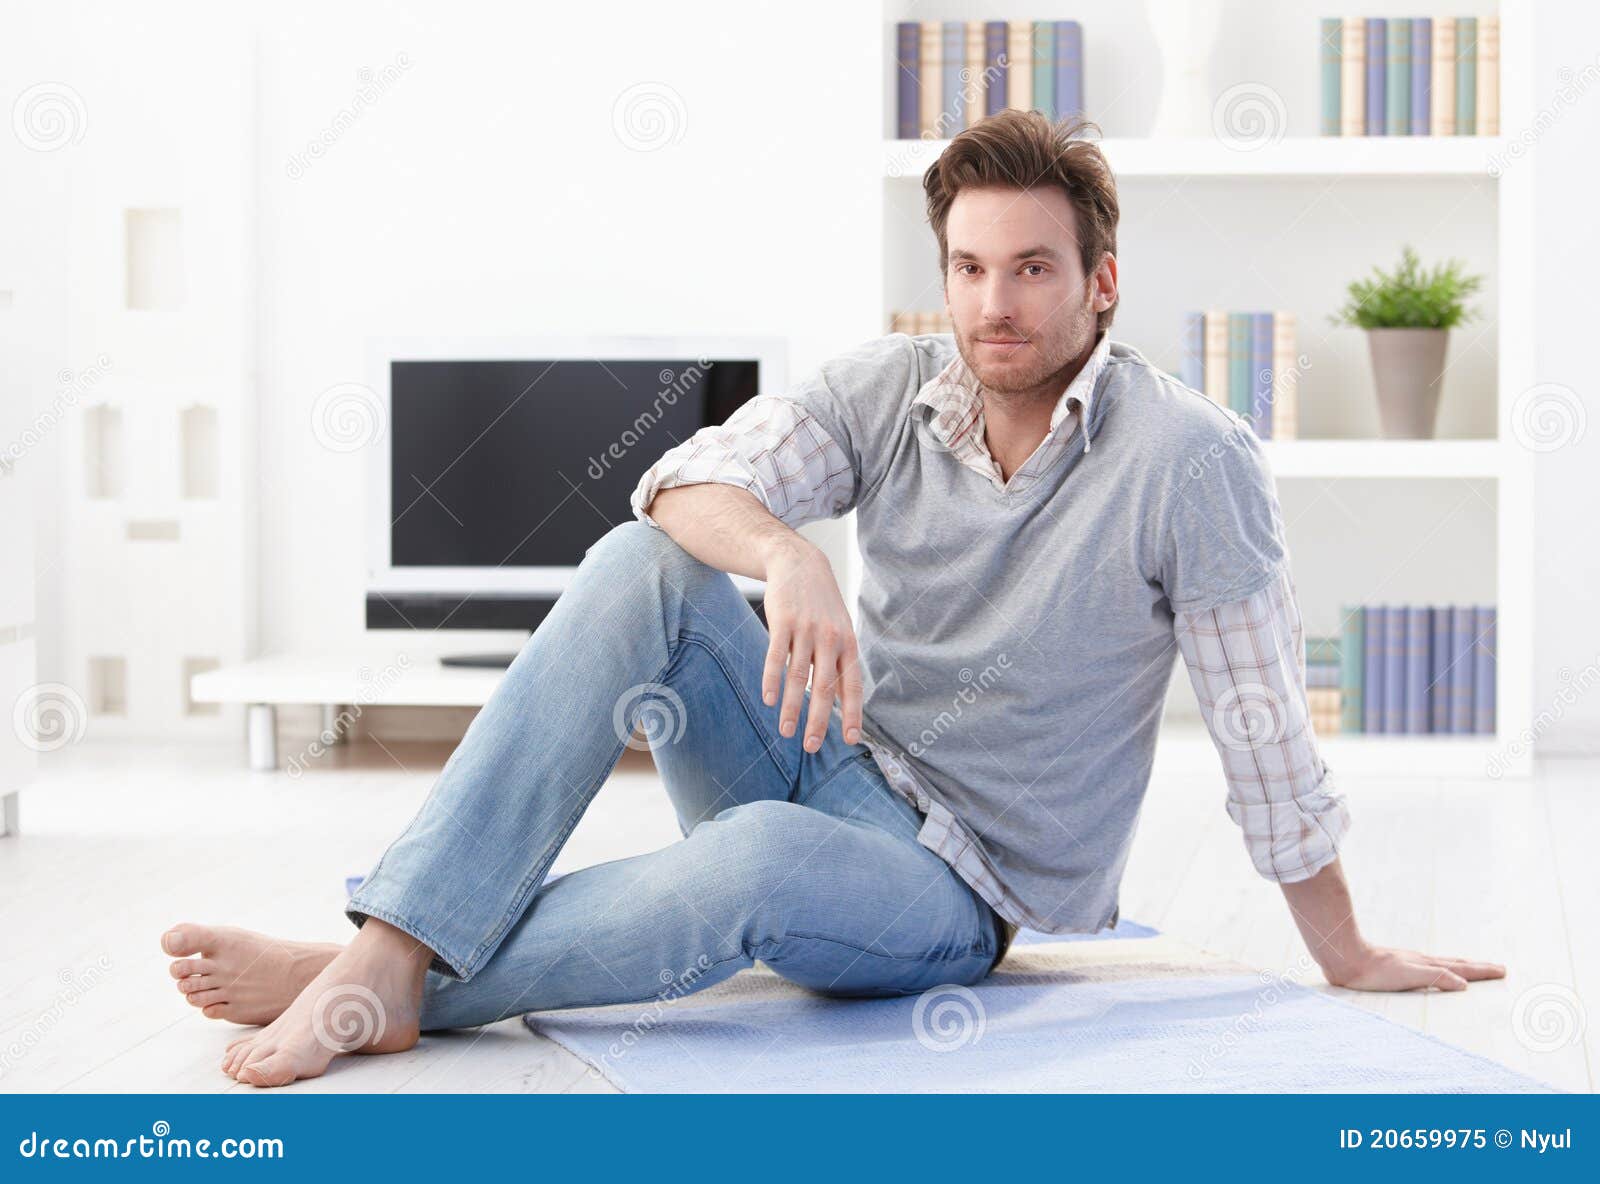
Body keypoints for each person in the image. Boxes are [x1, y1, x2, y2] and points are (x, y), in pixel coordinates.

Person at [162, 110, 1505, 1088]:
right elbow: (681, 487)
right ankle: (394, 948)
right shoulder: (893, 388)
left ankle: (374, 971)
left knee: (754, 859)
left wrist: (1347, 949)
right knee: (644, 566)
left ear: (1102, 282)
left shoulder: (1191, 462)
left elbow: (1263, 728)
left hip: (950, 889)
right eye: (969, 269)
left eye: (1033, 268)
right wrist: (789, 557)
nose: (995, 303)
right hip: (830, 756)